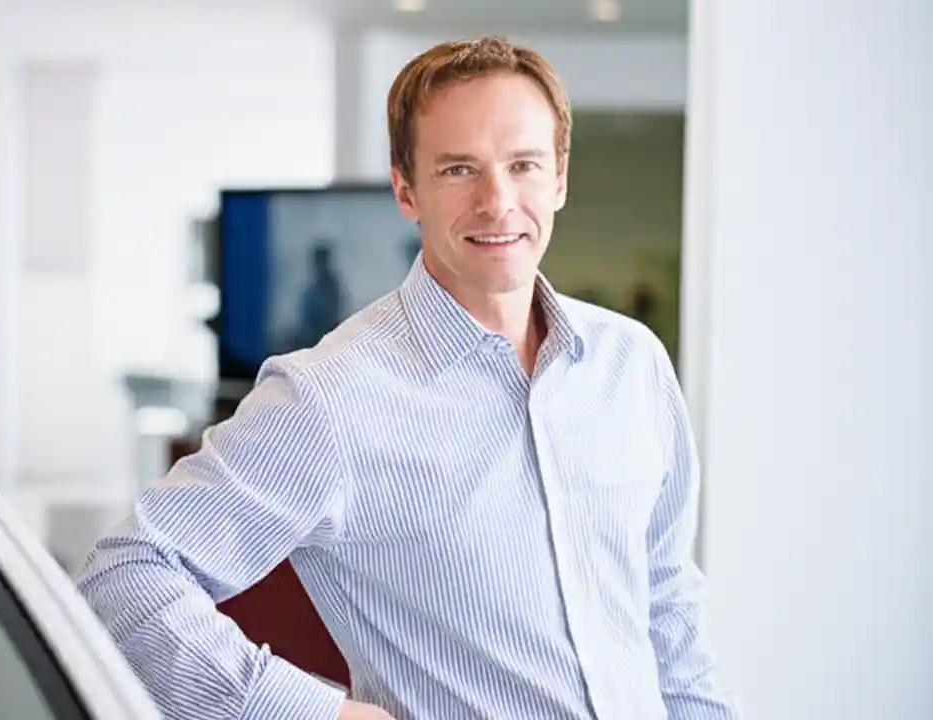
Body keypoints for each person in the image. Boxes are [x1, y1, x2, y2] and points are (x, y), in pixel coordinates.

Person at [77, 36, 739, 720]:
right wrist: (312, 715)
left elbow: (667, 611)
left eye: (523, 165)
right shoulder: (331, 397)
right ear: (405, 187)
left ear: (560, 178)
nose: (498, 200)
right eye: (459, 169)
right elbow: (122, 580)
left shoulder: (631, 366)